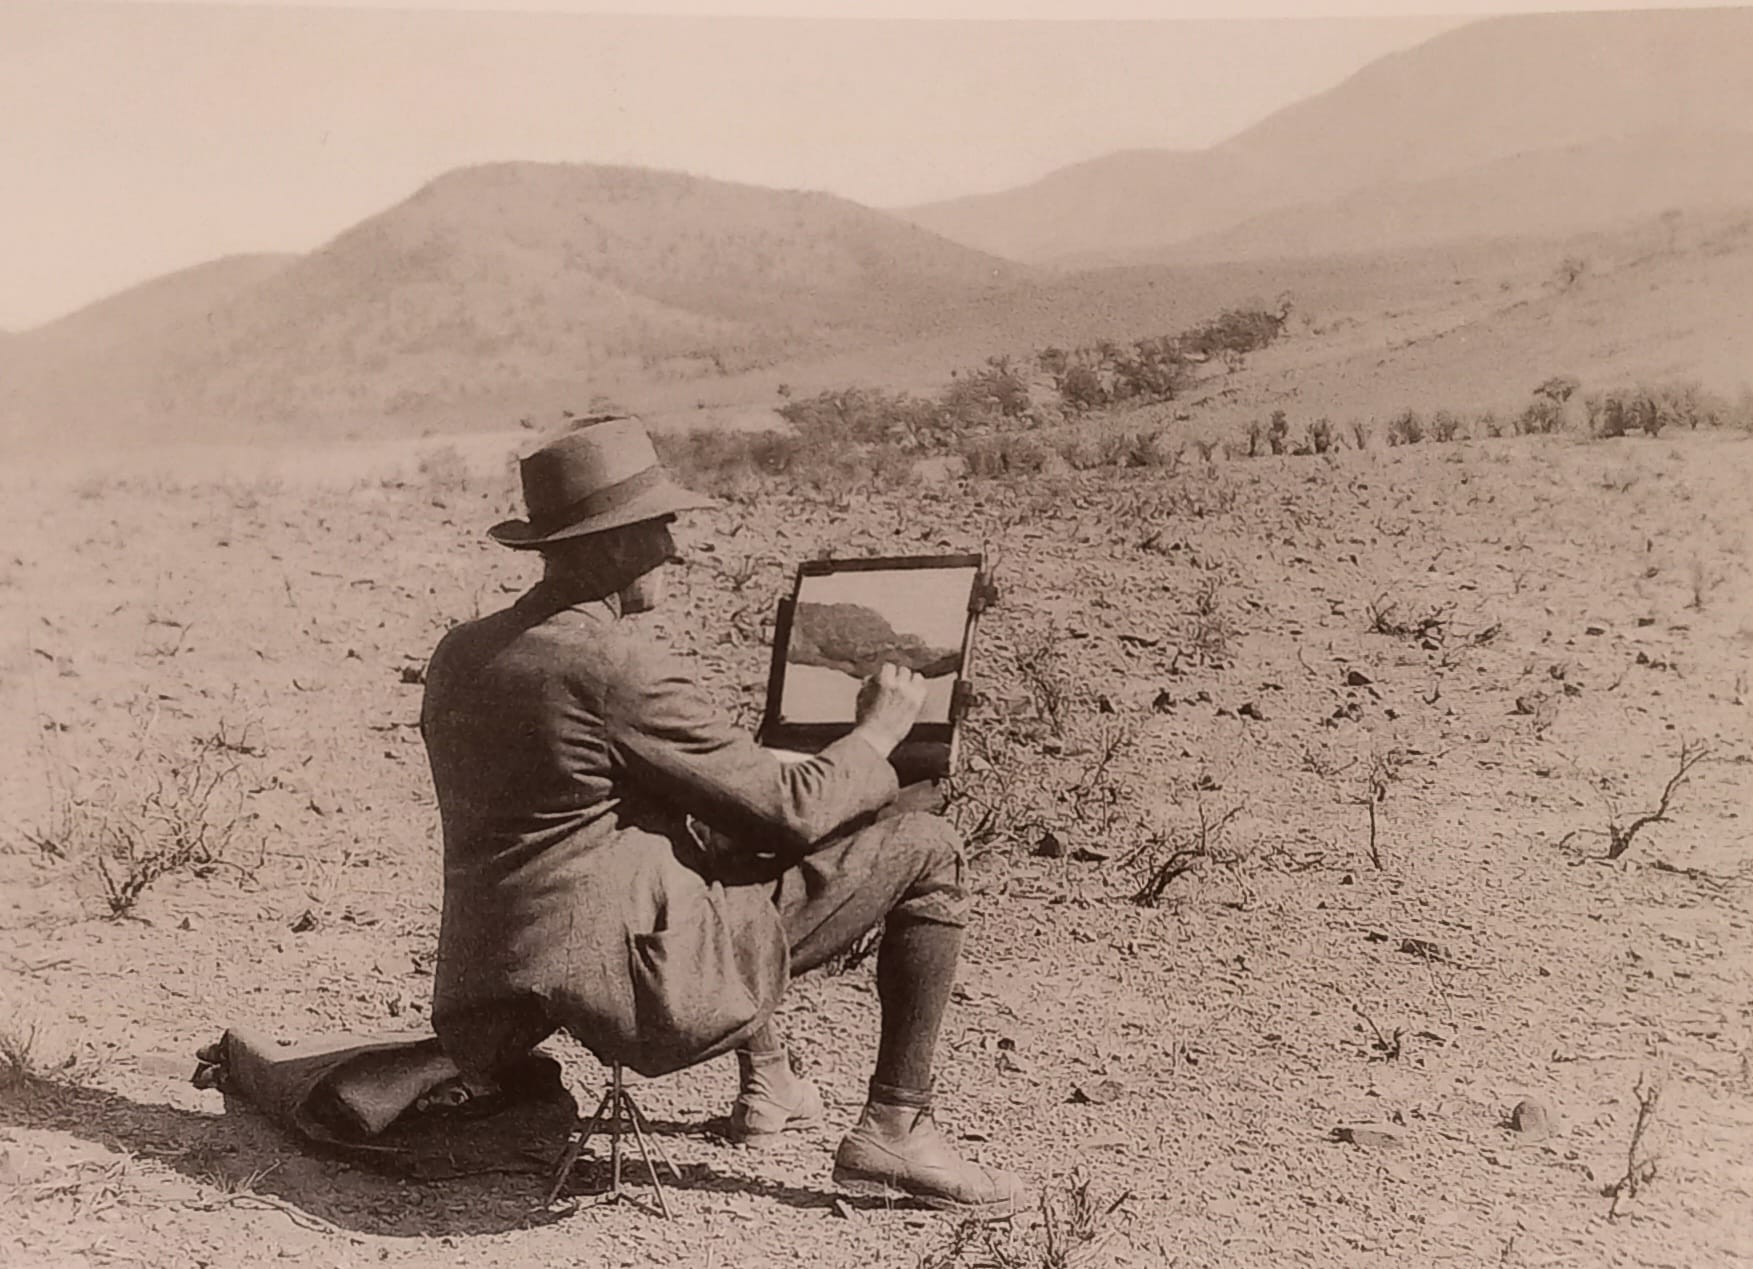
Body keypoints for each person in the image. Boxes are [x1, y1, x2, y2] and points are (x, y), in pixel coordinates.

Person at [418, 417, 1027, 1215]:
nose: (674, 548)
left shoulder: (465, 649)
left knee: (706, 831)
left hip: (493, 977)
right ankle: (894, 1129)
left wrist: (793, 772)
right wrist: (877, 733)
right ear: (608, 546)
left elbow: (590, 796)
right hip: (617, 981)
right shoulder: (615, 665)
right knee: (929, 844)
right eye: (659, 526)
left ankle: (767, 1079)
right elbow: (792, 811)